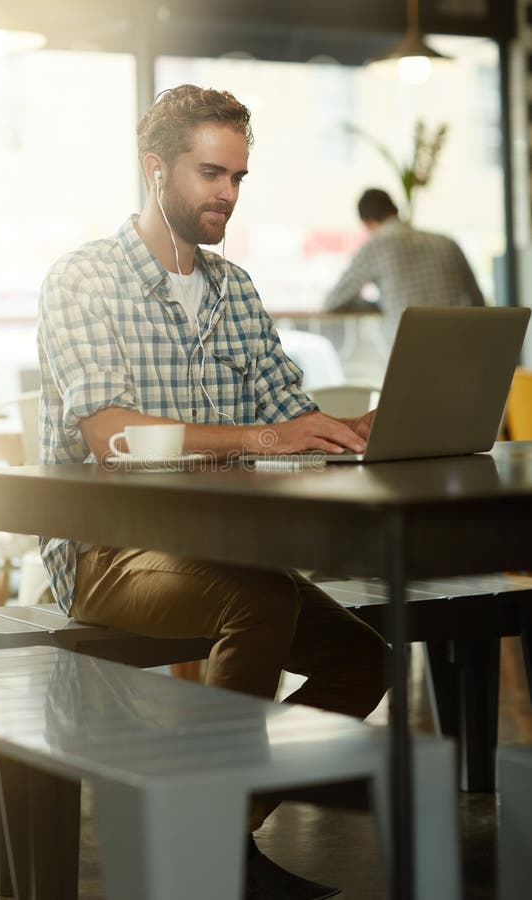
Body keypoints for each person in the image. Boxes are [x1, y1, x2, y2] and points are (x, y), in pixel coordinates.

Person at [38, 84, 390, 900]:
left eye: (237, 177)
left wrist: (352, 430)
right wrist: (267, 438)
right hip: (108, 554)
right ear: (156, 169)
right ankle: (211, 850)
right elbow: (109, 432)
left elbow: (290, 413)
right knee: (259, 603)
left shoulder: (236, 292)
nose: (227, 194)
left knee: (361, 660)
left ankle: (206, 825)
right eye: (210, 174)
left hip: (226, 555)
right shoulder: (84, 279)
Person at [323, 187, 485, 348]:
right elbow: (478, 302)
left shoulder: (376, 246)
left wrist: (381, 304)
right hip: (459, 348)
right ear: (394, 209)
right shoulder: (448, 243)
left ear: (366, 223)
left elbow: (332, 302)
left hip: (409, 353)